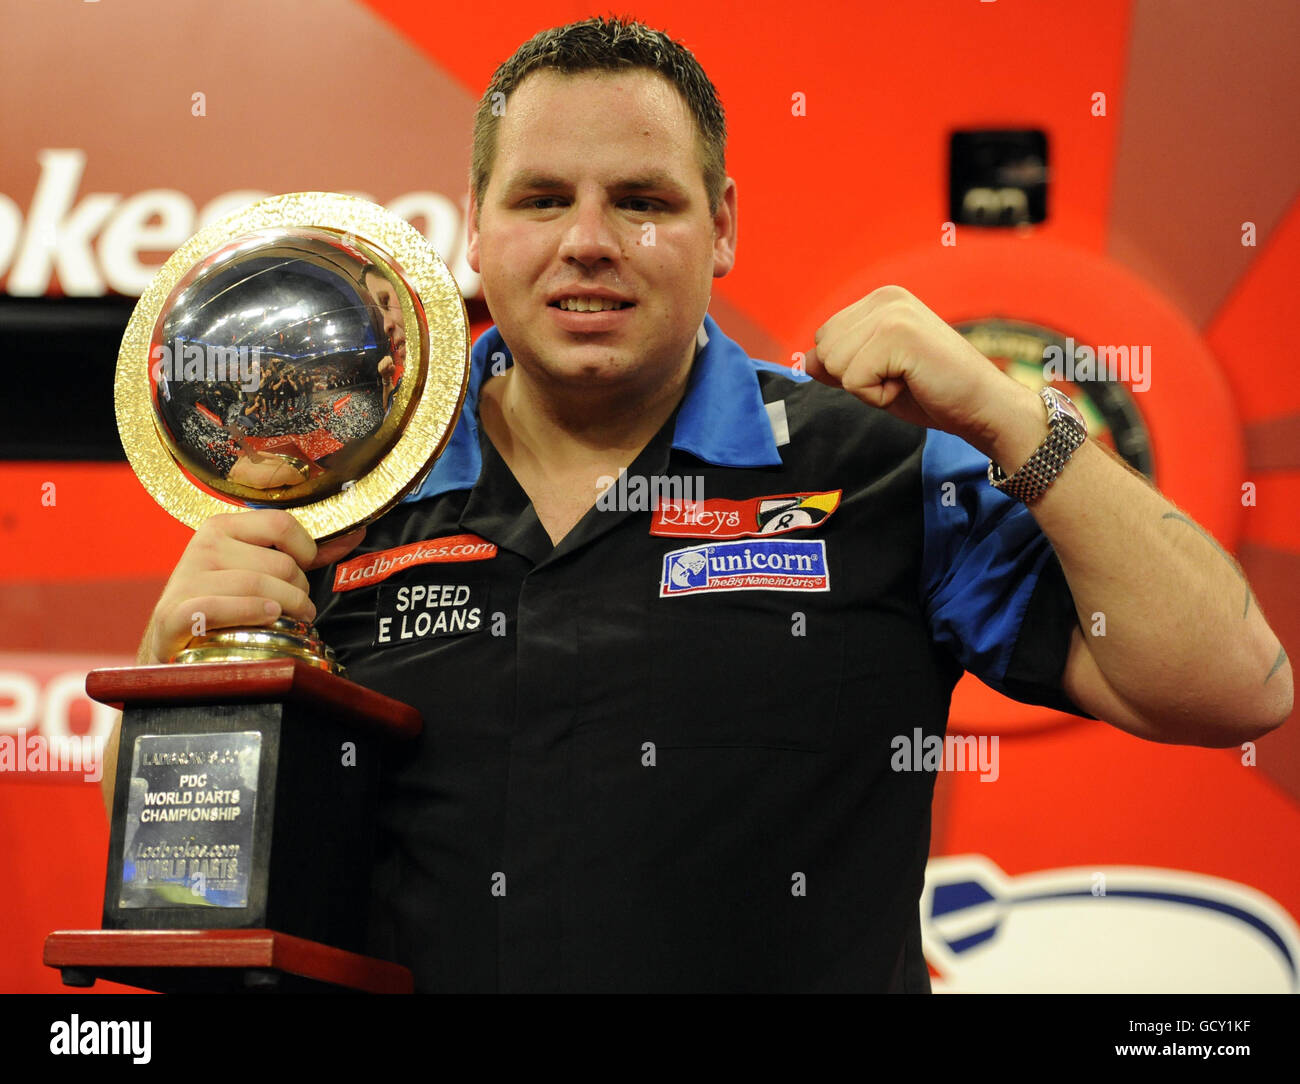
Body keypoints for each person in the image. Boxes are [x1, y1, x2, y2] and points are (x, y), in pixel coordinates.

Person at [102, 17, 1290, 992]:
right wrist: (180, 667)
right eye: (540, 199)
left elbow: (1236, 686)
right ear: (474, 230)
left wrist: (1009, 416)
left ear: (722, 225)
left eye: (642, 200)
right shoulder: (348, 487)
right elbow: (187, 889)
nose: (588, 243)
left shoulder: (878, 465)